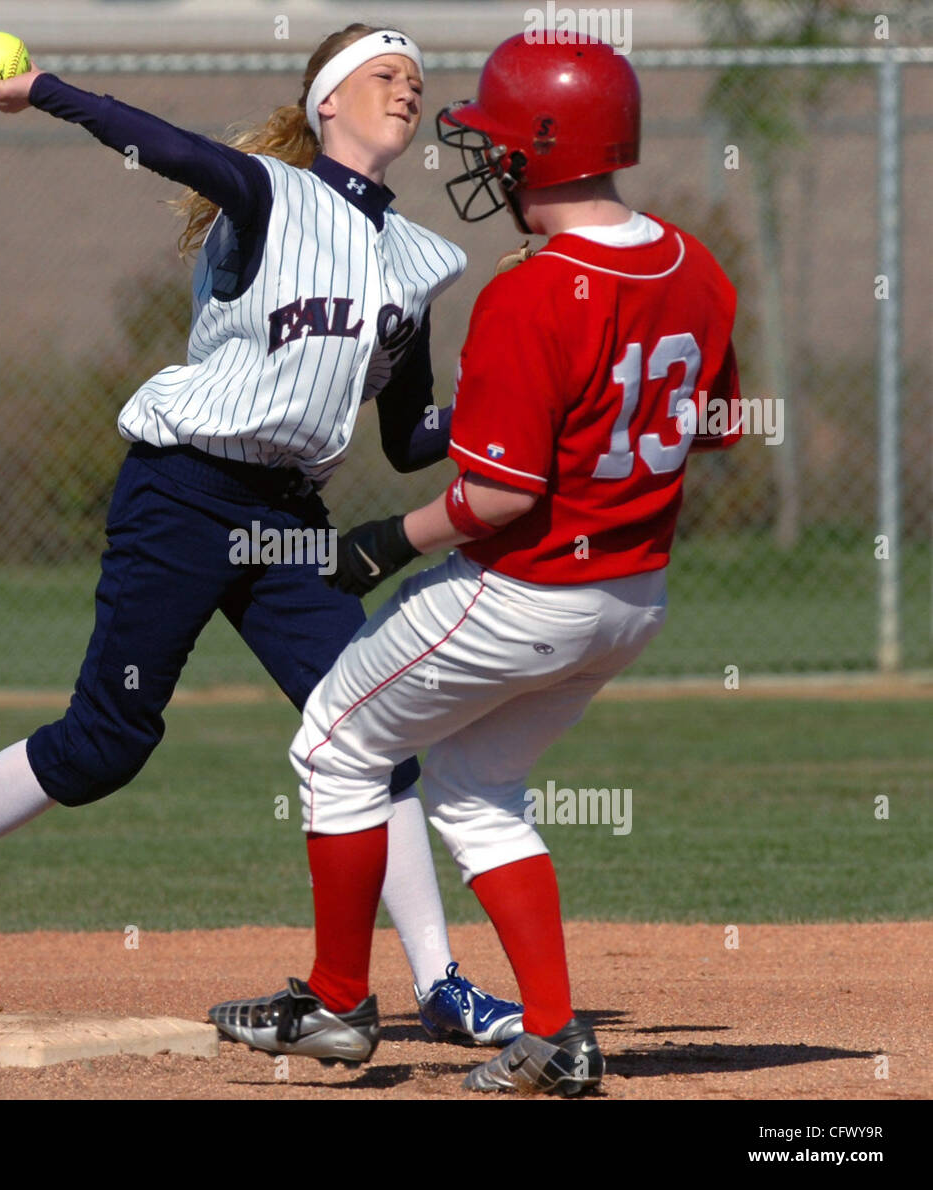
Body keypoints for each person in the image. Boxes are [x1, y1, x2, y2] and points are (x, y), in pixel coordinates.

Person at [0, 24, 524, 1044]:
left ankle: (440, 982)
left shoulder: (418, 258)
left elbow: (405, 439)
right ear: (328, 103)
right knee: (105, 743)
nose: (409, 91)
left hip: (285, 517)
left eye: (416, 80)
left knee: (374, 724)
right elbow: (156, 140)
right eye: (386, 76)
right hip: (182, 493)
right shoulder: (268, 191)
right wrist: (41, 87)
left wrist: (512, 406)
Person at [208, 32, 743, 1092]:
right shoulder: (696, 264)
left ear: (539, 151)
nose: (488, 162)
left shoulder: (531, 289)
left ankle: (334, 1000)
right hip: (632, 598)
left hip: (524, 589)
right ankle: (554, 1033)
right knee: (474, 785)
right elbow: (715, 422)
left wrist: (378, 542)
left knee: (332, 745)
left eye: (501, 145)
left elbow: (501, 495)